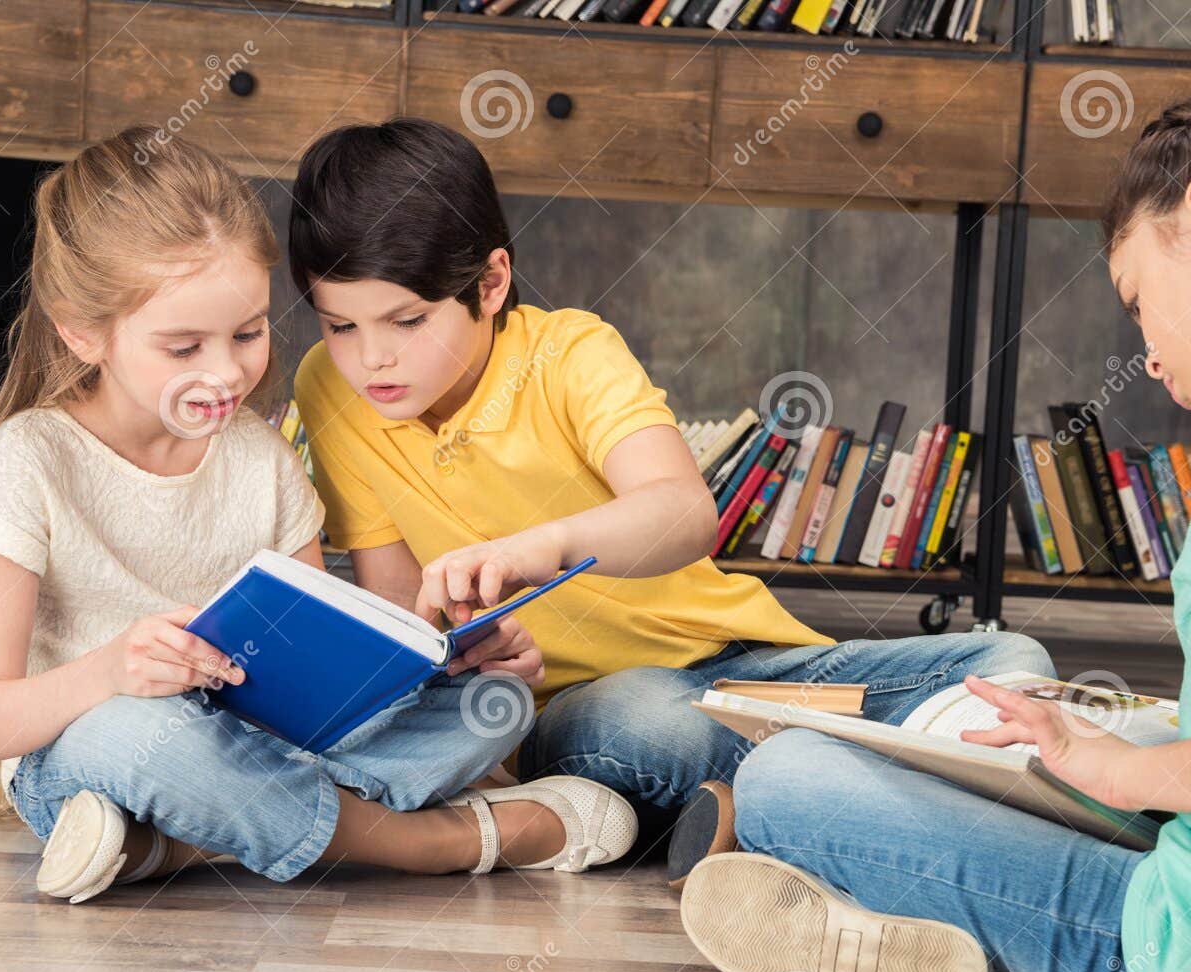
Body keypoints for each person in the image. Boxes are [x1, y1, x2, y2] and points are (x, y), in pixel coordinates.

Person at [683, 85, 1191, 972]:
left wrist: (1117, 768)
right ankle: (922, 944)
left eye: (1138, 297)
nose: (1146, 347)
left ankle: (924, 946)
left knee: (786, 778)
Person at [287, 118, 1053, 889]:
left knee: (1010, 664)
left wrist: (537, 549)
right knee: (642, 726)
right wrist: (470, 655)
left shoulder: (569, 353)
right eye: (339, 325)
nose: (371, 357)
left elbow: (683, 513)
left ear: (490, 284)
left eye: (407, 321)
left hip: (742, 665)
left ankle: (779, 804)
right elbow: (400, 613)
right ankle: (841, 797)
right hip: (583, 710)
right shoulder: (329, 387)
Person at [0, 127, 636, 906]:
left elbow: (322, 678)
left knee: (491, 710)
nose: (226, 373)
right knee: (142, 735)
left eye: (249, 334)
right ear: (83, 333)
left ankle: (169, 844)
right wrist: (109, 671)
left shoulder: (262, 459)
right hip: (92, 754)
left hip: (260, 746)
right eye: (184, 346)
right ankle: (440, 843)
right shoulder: (32, 459)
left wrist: (441, 658)